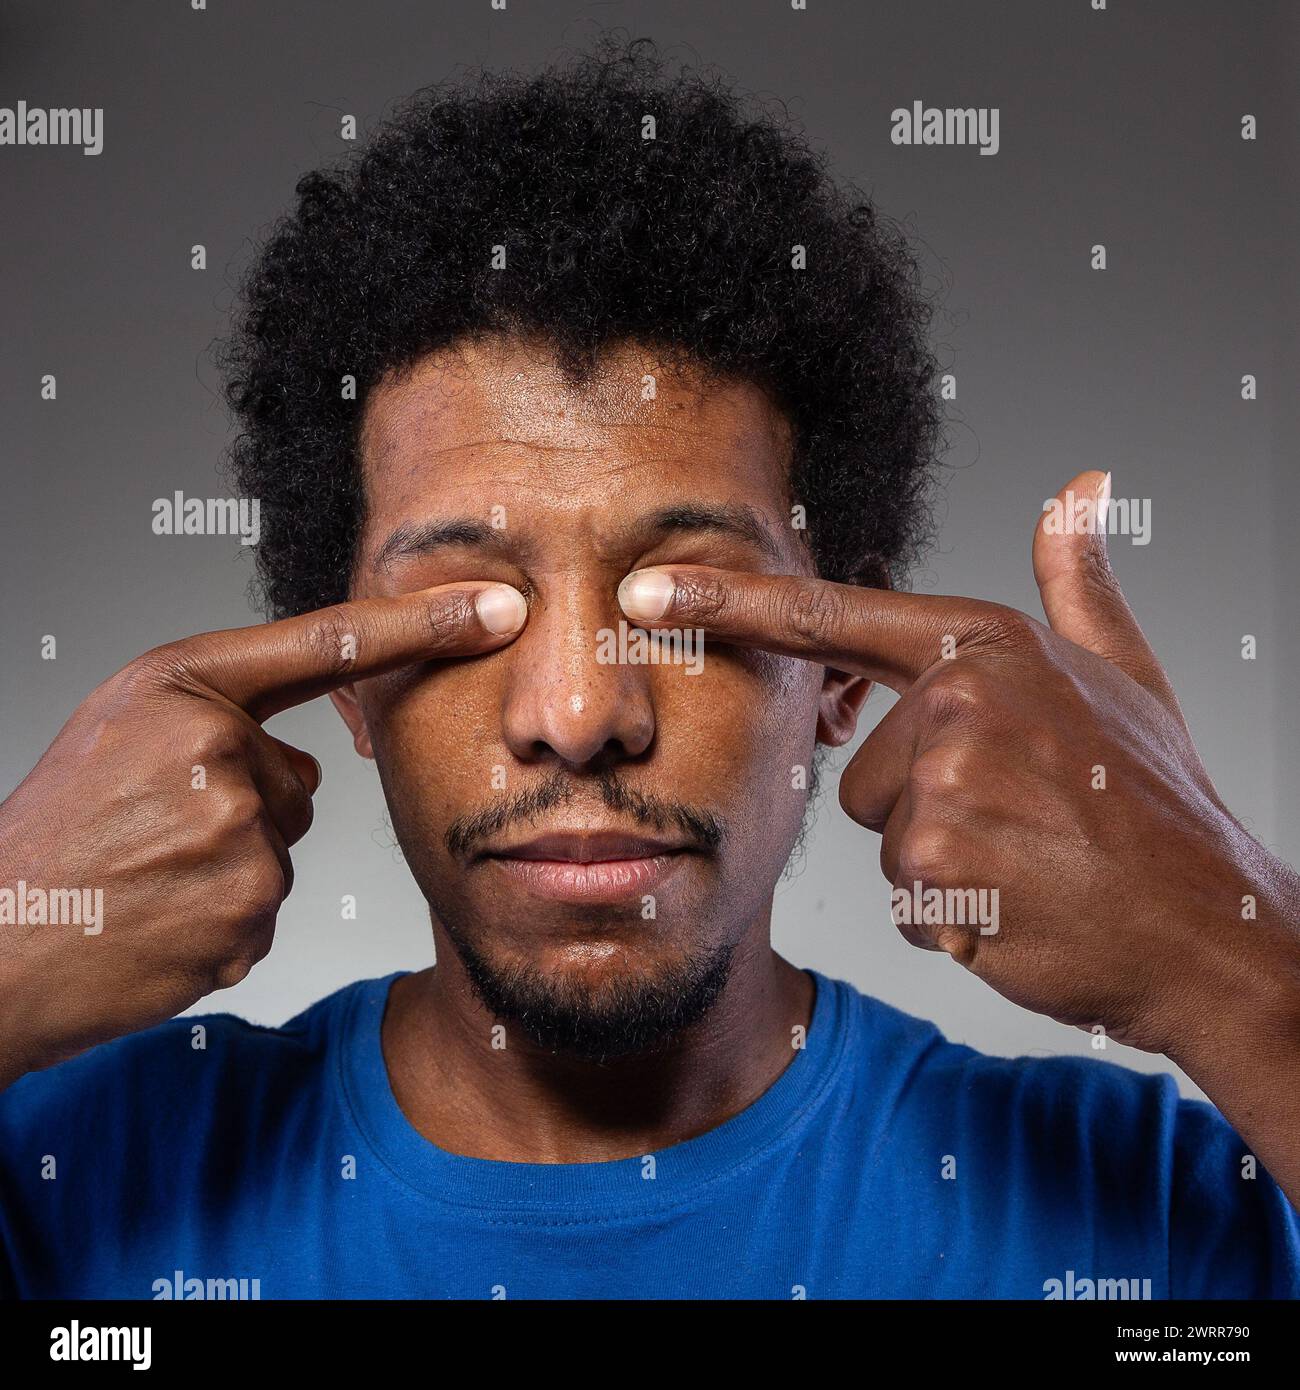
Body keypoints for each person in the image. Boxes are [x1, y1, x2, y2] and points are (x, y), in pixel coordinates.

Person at [1, 39, 1296, 1300]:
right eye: (465, 608)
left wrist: (1230, 956)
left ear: (841, 668)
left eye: (685, 602)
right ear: (340, 672)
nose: (577, 713)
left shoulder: (1152, 1216)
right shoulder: (75, 1190)